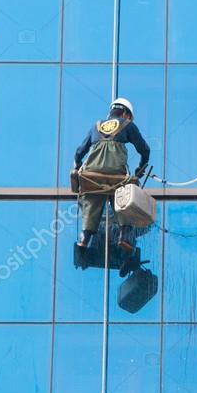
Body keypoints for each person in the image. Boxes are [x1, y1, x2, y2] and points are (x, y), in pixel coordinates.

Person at [72, 98, 150, 273]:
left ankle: (83, 241)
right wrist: (140, 169)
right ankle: (124, 236)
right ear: (126, 114)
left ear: (111, 112)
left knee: (91, 205)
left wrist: (77, 165)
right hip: (116, 174)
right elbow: (144, 149)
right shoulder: (127, 125)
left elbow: (80, 150)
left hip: (93, 174)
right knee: (123, 204)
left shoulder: (96, 126)